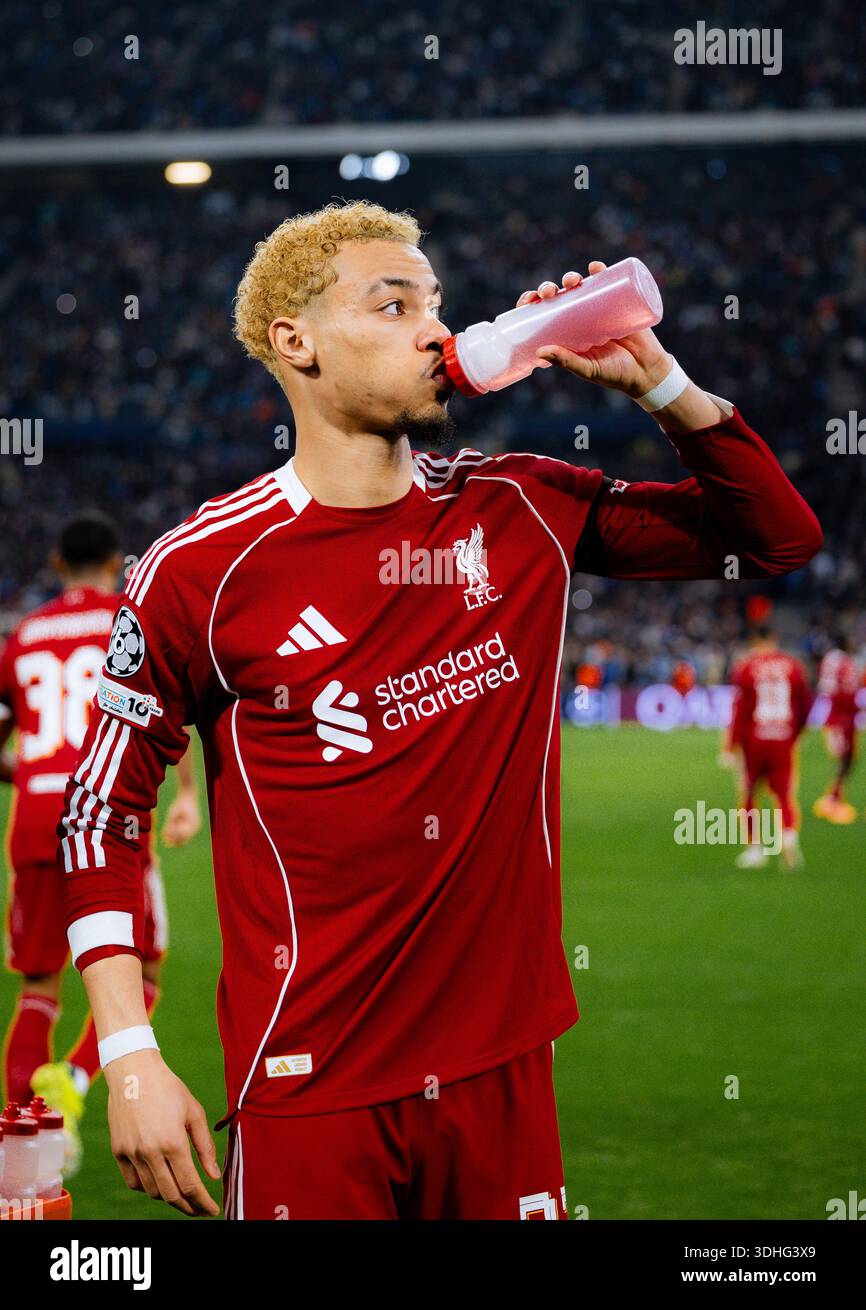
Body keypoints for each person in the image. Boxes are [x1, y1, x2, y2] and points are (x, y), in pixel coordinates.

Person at [58, 201, 821, 1220]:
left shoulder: (521, 508)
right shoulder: (198, 571)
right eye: (394, 302)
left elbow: (774, 539)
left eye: (437, 304)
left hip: (500, 1068)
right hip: (308, 1083)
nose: (436, 328)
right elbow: (100, 812)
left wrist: (663, 386)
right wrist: (129, 1054)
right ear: (298, 343)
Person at [0, 512, 201, 1173]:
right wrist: (190, 798)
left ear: (56, 565)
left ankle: (24, 1152)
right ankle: (77, 1083)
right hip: (107, 809)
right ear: (119, 562)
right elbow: (171, 705)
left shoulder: (25, 632)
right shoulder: (132, 613)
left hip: (33, 815)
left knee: (39, 985)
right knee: (140, 972)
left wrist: (26, 771)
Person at [725, 625, 813, 871]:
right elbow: (805, 704)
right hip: (783, 737)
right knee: (784, 794)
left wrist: (731, 745)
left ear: (754, 640)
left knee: (750, 793)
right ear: (774, 638)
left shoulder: (746, 667)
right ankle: (788, 838)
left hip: (755, 738)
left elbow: (740, 710)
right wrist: (797, 732)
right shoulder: (793, 666)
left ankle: (755, 849)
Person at [813, 635, 862, 824]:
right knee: (844, 760)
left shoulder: (838, 660)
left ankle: (834, 798)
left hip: (845, 718)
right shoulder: (840, 661)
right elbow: (834, 690)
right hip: (840, 719)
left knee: (848, 760)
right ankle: (831, 801)